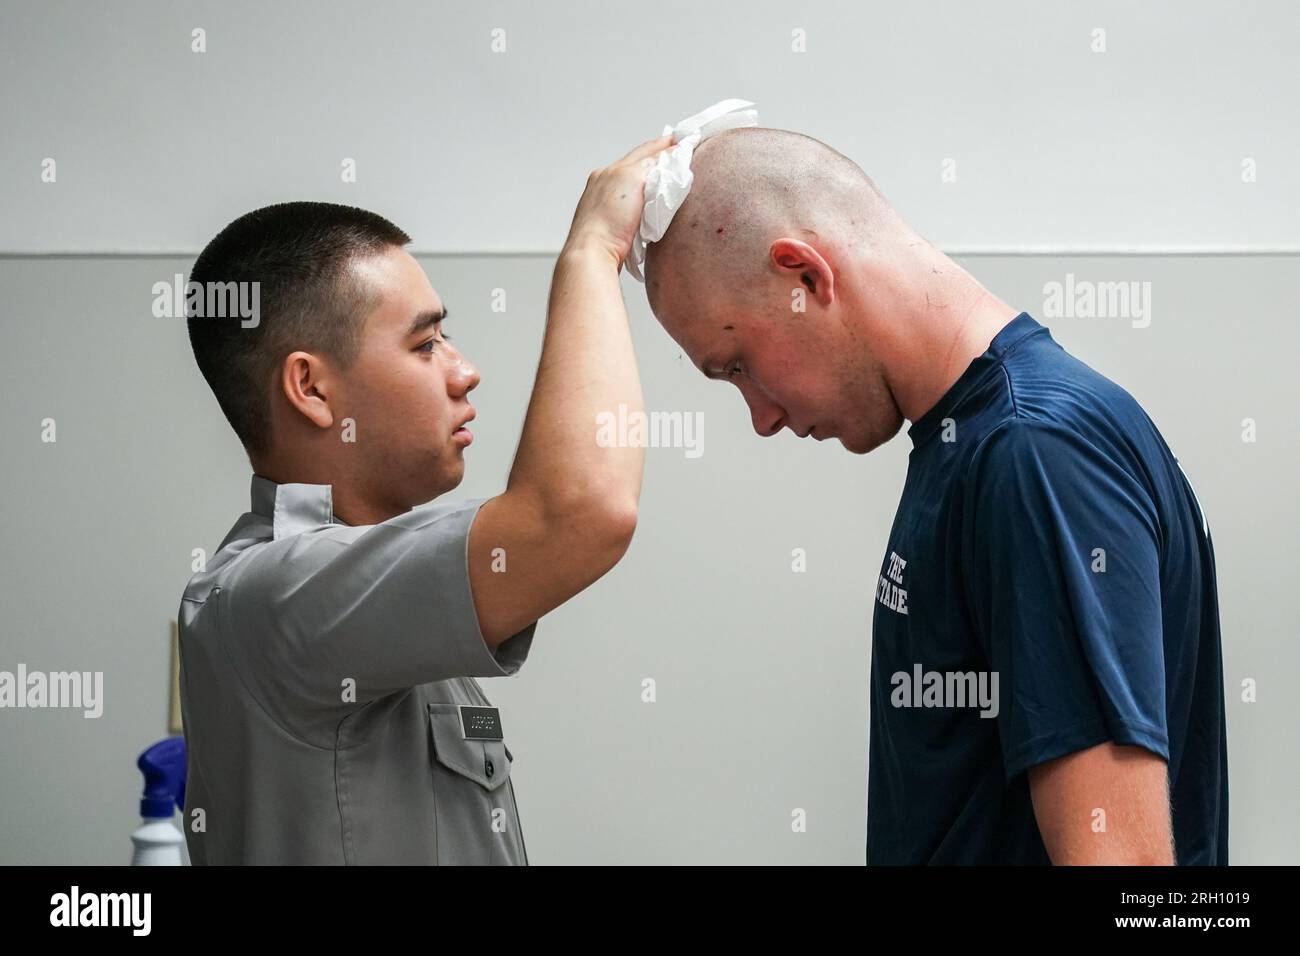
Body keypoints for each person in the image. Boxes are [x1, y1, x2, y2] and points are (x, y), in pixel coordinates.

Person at [642, 127, 1228, 865]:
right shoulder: (972, 442)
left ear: (805, 277)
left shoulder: (1036, 456)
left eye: (737, 364)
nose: (761, 418)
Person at [177, 136, 672, 864]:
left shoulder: (372, 601)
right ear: (312, 389)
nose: (464, 372)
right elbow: (580, 512)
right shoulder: (278, 596)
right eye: (425, 343)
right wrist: (590, 250)